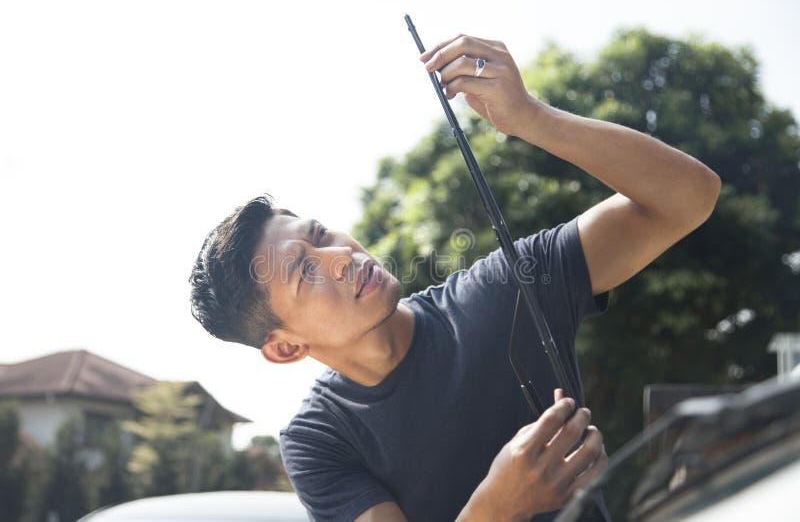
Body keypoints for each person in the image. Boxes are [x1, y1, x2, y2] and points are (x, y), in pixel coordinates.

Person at [189, 33, 721, 521]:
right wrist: (498, 505)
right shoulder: (319, 437)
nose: (340, 257)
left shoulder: (503, 291)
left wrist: (532, 118)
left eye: (322, 233)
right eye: (306, 270)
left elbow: (690, 198)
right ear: (285, 348)